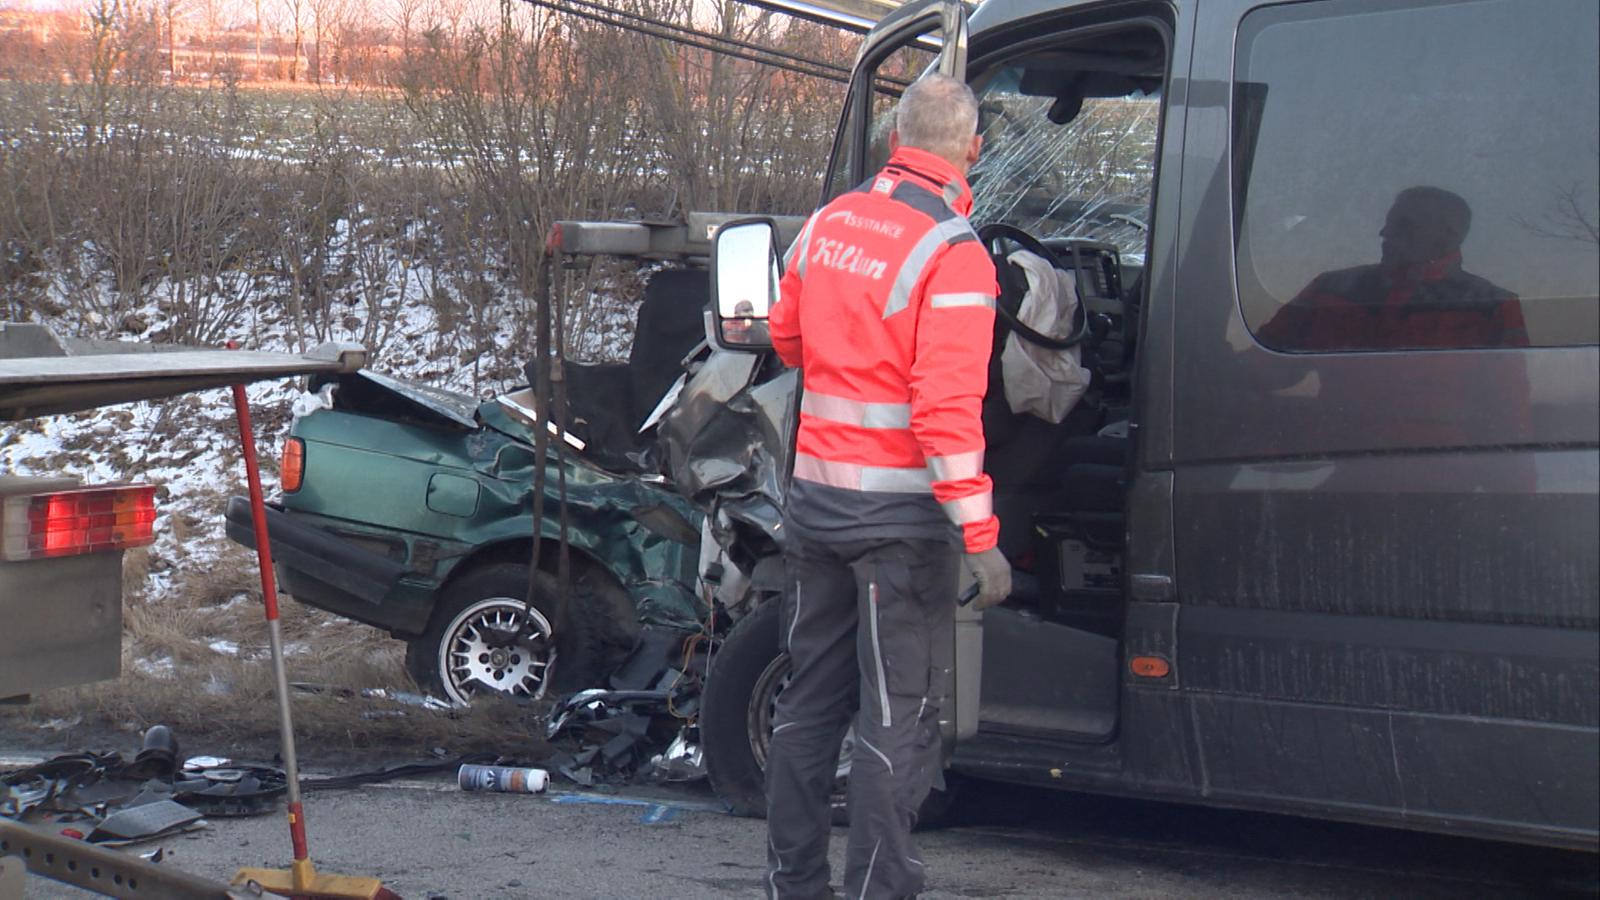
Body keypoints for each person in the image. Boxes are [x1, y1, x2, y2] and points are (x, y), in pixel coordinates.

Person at [763, 73, 1011, 900]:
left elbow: (786, 339)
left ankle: (793, 887)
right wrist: (981, 536)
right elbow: (945, 415)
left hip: (815, 510)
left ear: (894, 139)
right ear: (970, 148)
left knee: (806, 708)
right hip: (898, 526)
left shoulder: (831, 222)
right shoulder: (954, 253)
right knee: (892, 721)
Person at [1258, 186, 1528, 351]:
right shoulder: (1329, 290)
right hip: (1331, 443)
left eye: (1404, 225)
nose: (1384, 232)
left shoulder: (1494, 308)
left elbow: (1511, 414)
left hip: (1443, 447)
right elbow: (1264, 370)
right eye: (1388, 222)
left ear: (1448, 236)